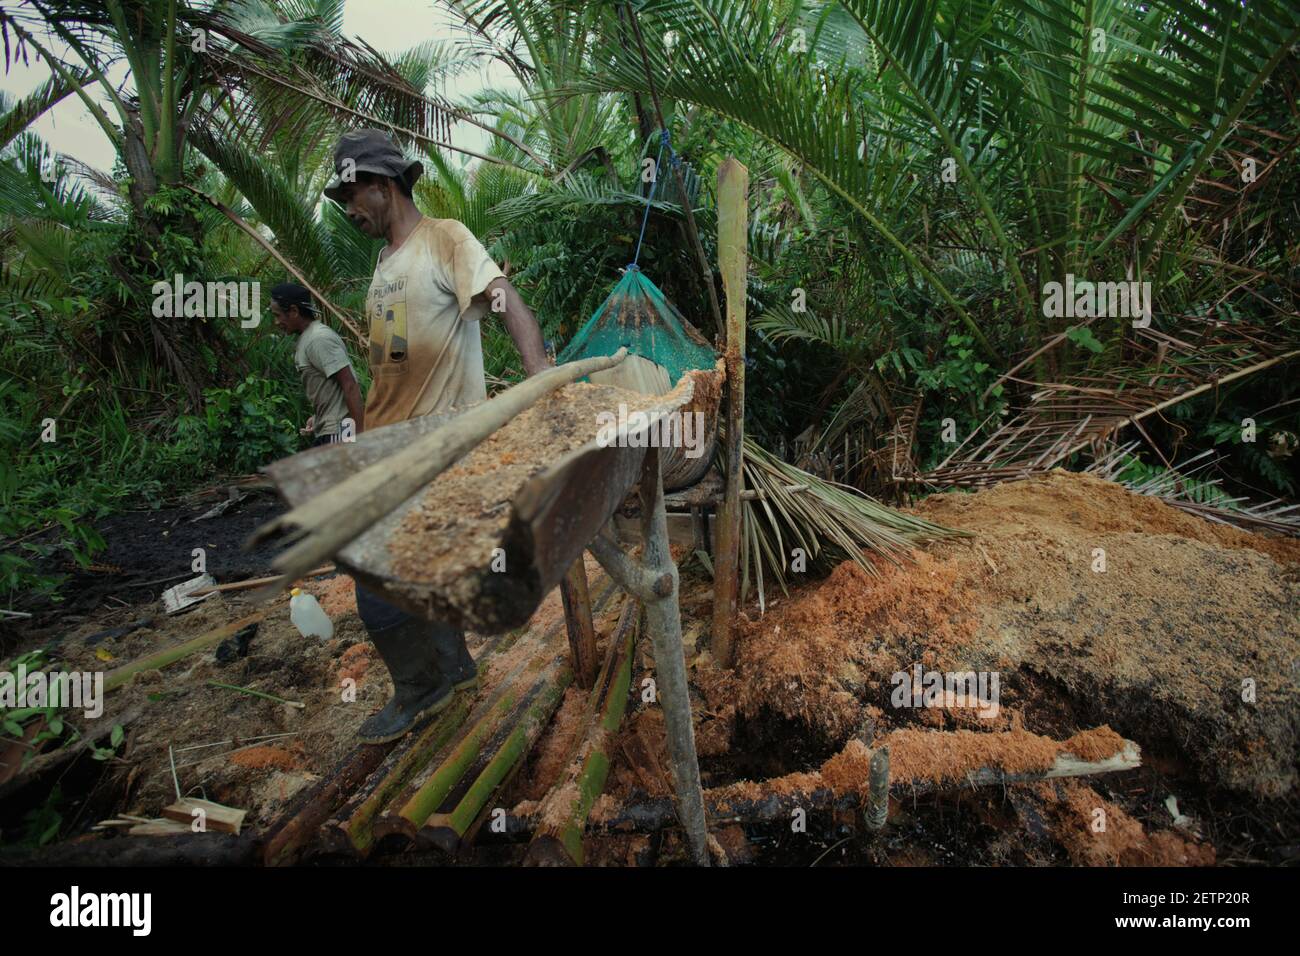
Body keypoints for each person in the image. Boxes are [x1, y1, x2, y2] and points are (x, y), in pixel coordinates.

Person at [323, 128, 551, 743]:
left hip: (438, 448)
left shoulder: (444, 238)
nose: (349, 209)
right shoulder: (383, 265)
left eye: (353, 193)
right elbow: (385, 373)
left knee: (374, 581)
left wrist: (539, 378)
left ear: (383, 184)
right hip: (390, 448)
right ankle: (454, 669)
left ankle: (421, 690)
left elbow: (504, 299)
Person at [269, 283, 365, 445]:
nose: (276, 322)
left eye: (278, 315)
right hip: (332, 430)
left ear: (294, 311)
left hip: (339, 432)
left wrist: (361, 435)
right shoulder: (308, 338)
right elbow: (332, 391)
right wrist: (319, 418)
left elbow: (350, 386)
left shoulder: (318, 339)